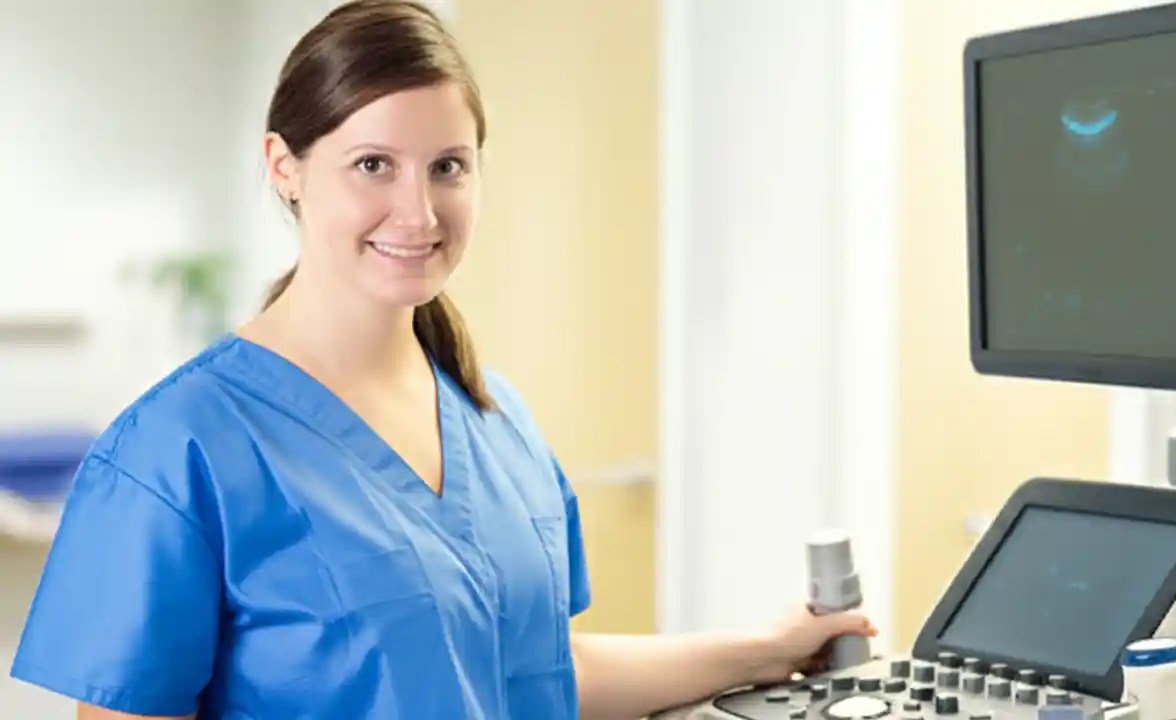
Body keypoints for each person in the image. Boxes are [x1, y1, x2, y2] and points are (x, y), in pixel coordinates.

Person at [8, 1, 877, 718]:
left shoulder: (496, 418)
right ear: (285, 167)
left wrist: (765, 651)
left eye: (448, 167)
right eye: (373, 164)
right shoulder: (178, 447)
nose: (419, 213)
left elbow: (538, 672)